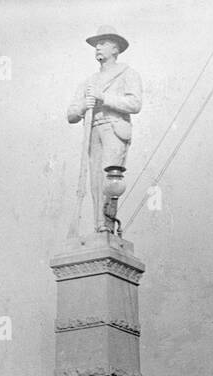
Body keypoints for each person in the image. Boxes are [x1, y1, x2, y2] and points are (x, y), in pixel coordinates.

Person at [67, 26, 142, 233]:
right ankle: (99, 225)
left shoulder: (127, 74)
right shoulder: (88, 82)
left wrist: (104, 97)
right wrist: (83, 106)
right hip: (93, 130)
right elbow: (71, 114)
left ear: (115, 49)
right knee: (96, 181)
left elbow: (135, 104)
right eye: (96, 45)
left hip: (114, 128)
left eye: (103, 43)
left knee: (111, 177)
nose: (98, 48)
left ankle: (107, 225)